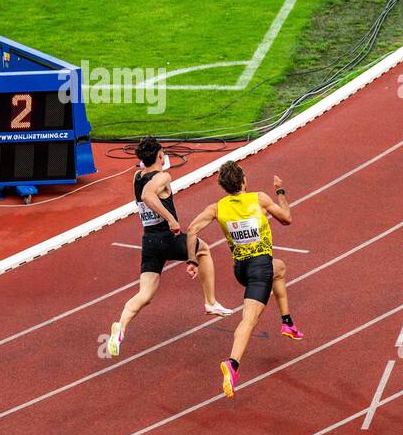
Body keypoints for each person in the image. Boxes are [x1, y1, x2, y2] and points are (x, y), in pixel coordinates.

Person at [185, 161, 301, 397]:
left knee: (279, 268)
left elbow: (192, 230)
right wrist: (280, 191)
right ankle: (233, 364)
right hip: (259, 269)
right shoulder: (259, 198)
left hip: (241, 269)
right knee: (249, 321)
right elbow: (287, 218)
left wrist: (192, 260)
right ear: (243, 181)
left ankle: (287, 321)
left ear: (223, 186)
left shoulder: (216, 208)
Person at [107, 137, 232, 357]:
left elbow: (144, 191)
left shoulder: (137, 176)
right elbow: (147, 195)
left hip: (149, 241)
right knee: (203, 250)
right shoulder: (163, 176)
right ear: (159, 156)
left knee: (145, 294)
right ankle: (210, 302)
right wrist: (171, 219)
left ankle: (120, 327)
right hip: (166, 237)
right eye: (162, 153)